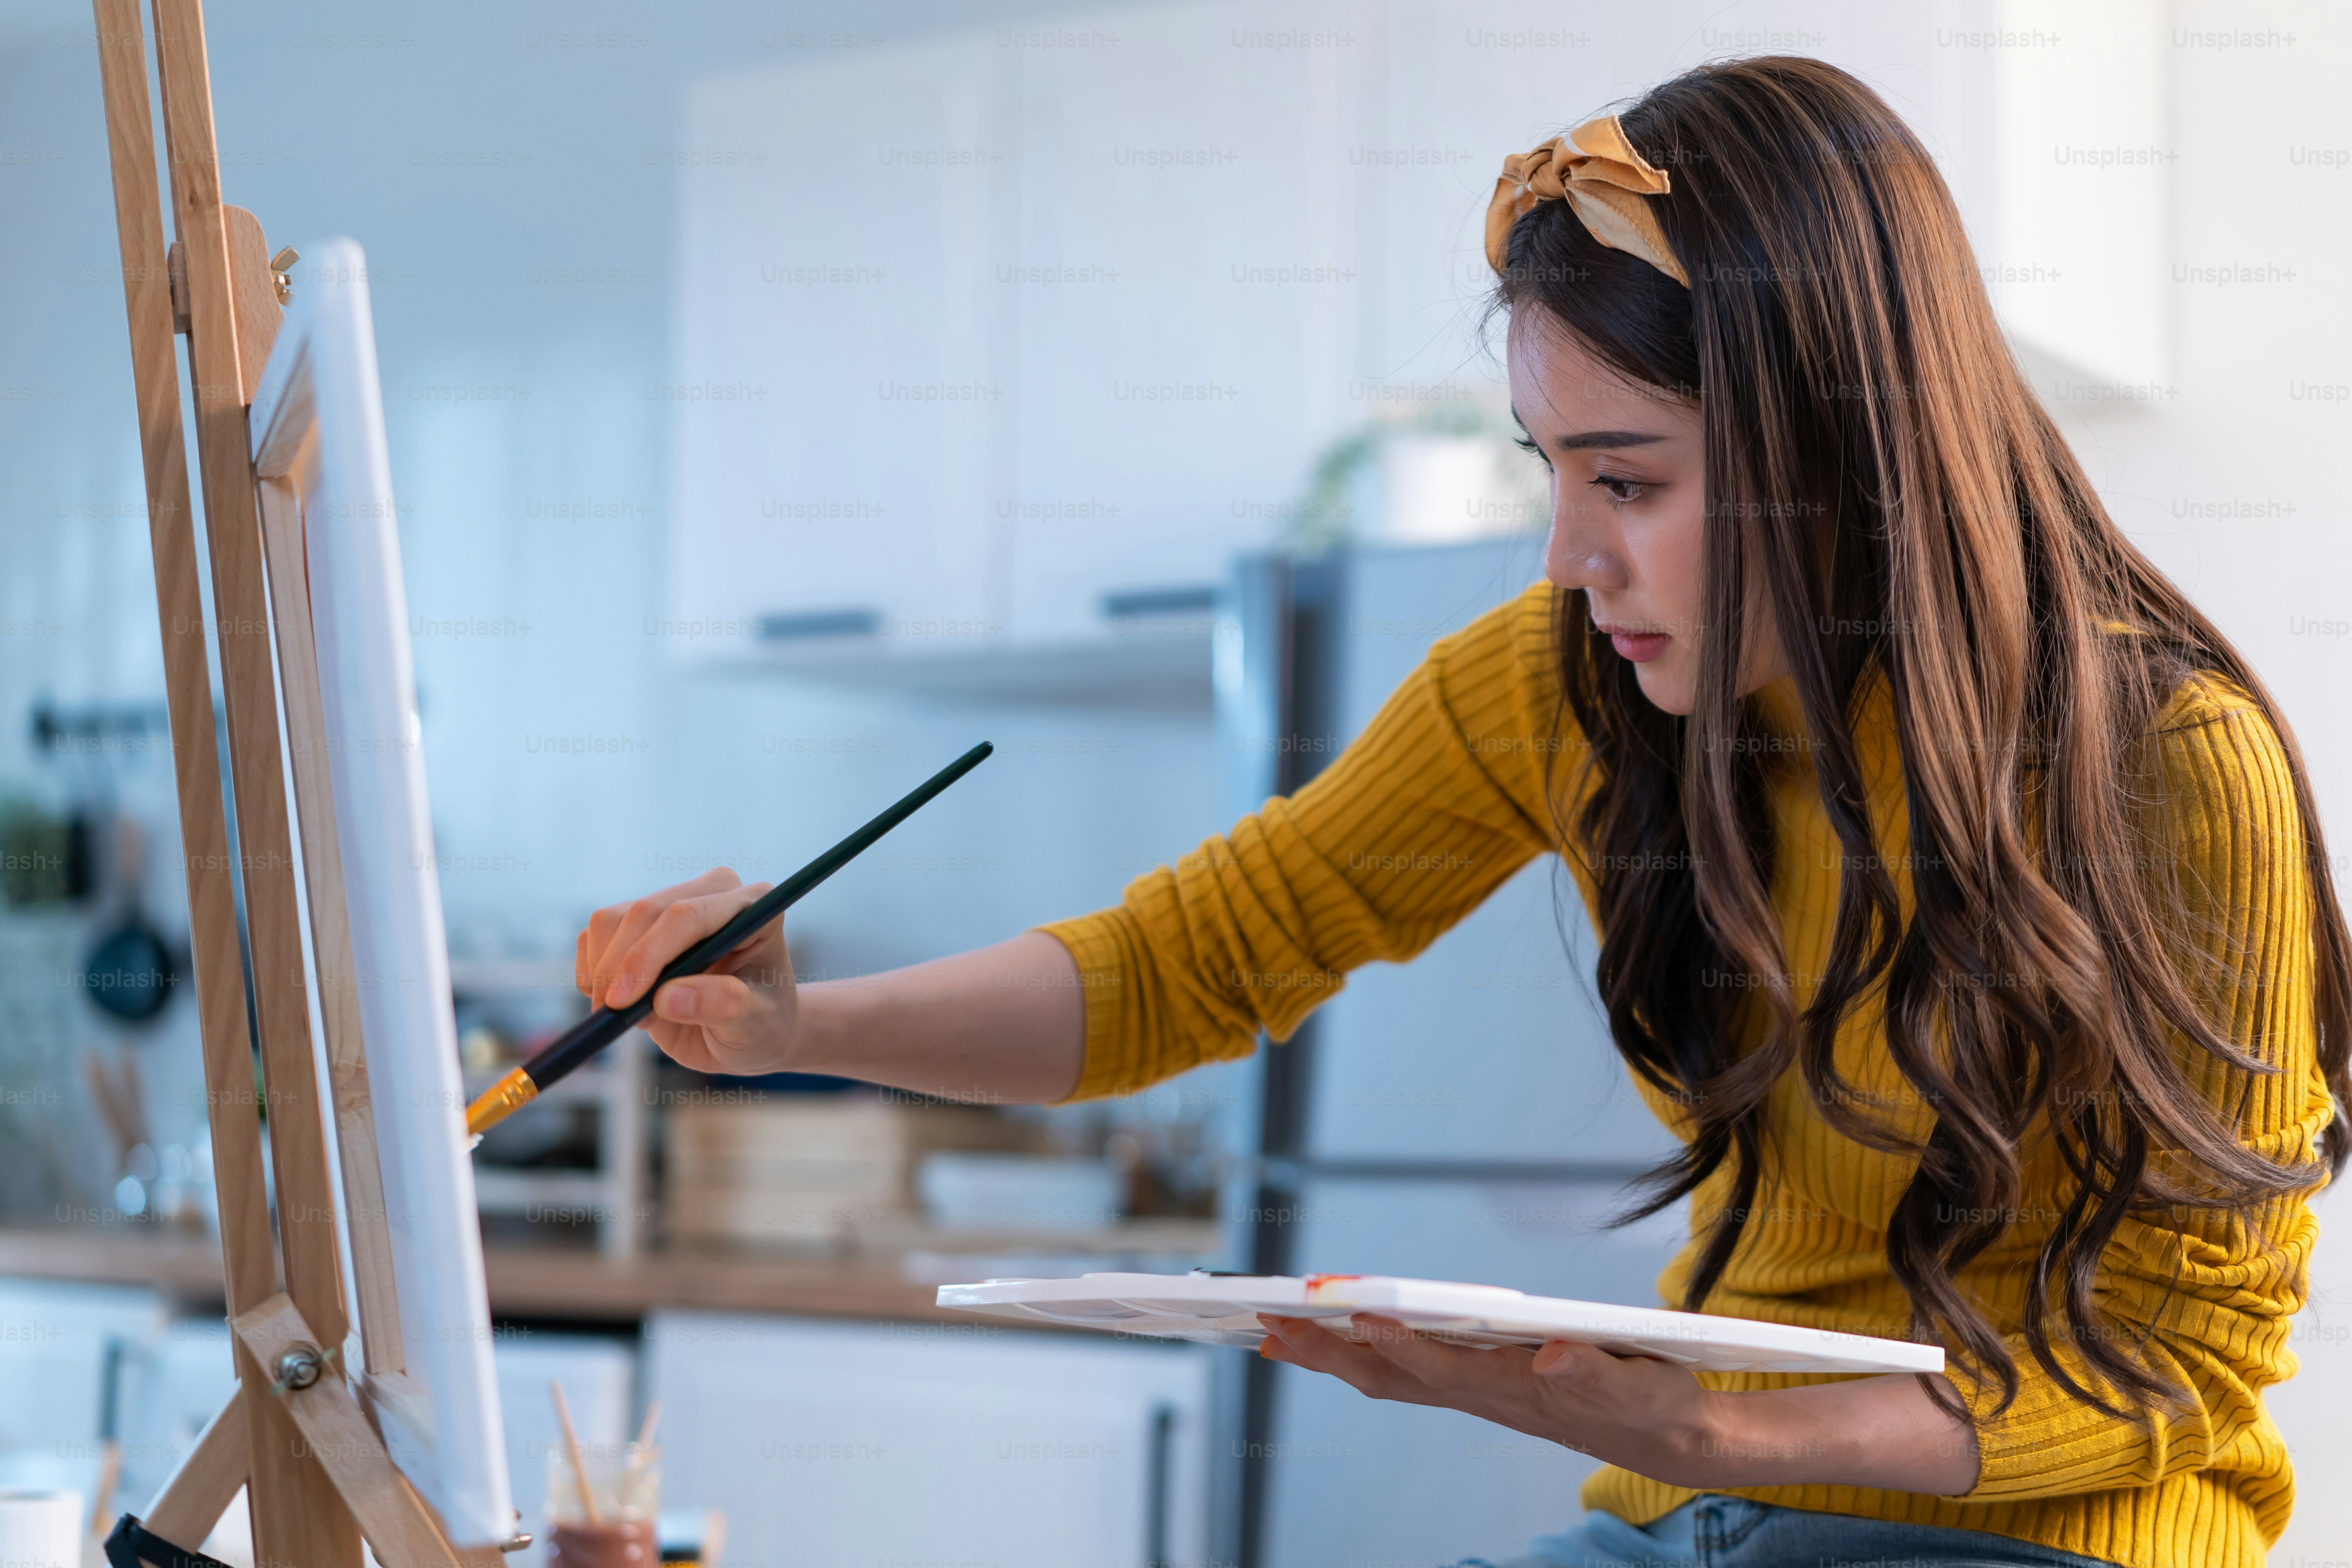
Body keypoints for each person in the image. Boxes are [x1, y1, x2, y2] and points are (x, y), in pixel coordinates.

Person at [571, 55, 2345, 1568]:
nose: (1573, 556)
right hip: (1694, 1515)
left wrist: (1734, 1433)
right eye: (1550, 471)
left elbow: (2186, 1358)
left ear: (1838, 448)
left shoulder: (2163, 768)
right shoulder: (1560, 683)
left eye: (1627, 479)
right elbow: (1198, 958)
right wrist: (801, 1026)